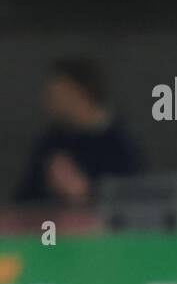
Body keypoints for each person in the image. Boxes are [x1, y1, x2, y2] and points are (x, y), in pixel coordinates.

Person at [15, 60, 143, 205]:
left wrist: (86, 193)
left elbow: (135, 205)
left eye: (58, 93)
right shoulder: (51, 143)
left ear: (81, 92)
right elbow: (22, 201)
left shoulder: (121, 146)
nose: (49, 101)